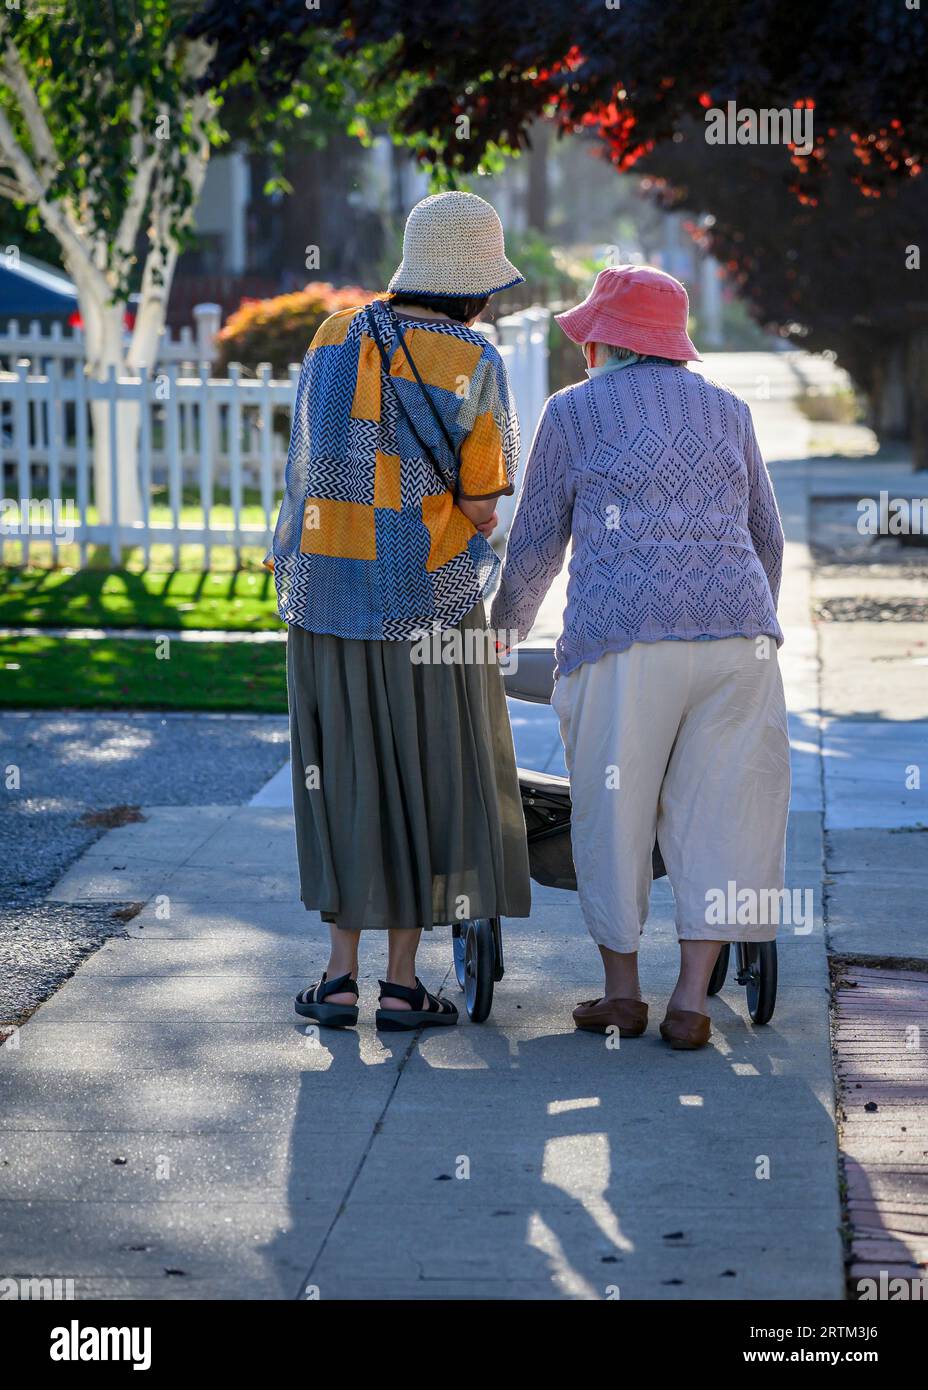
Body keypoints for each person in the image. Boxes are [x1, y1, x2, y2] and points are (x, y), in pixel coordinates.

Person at [491, 264, 789, 1050]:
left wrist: (502, 631)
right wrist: (751, 619)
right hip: (738, 639)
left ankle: (623, 995)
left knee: (613, 810)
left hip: (627, 641)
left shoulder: (574, 411)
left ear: (605, 340)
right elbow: (767, 537)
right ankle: (691, 1001)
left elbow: (535, 545)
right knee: (726, 810)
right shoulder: (729, 410)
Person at [265, 191, 531, 1031]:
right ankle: (405, 982)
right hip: (428, 598)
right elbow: (486, 500)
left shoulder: (332, 335)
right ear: (476, 286)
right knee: (426, 774)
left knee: (342, 773)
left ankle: (338, 979)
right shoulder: (473, 357)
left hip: (325, 592)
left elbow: (307, 461)